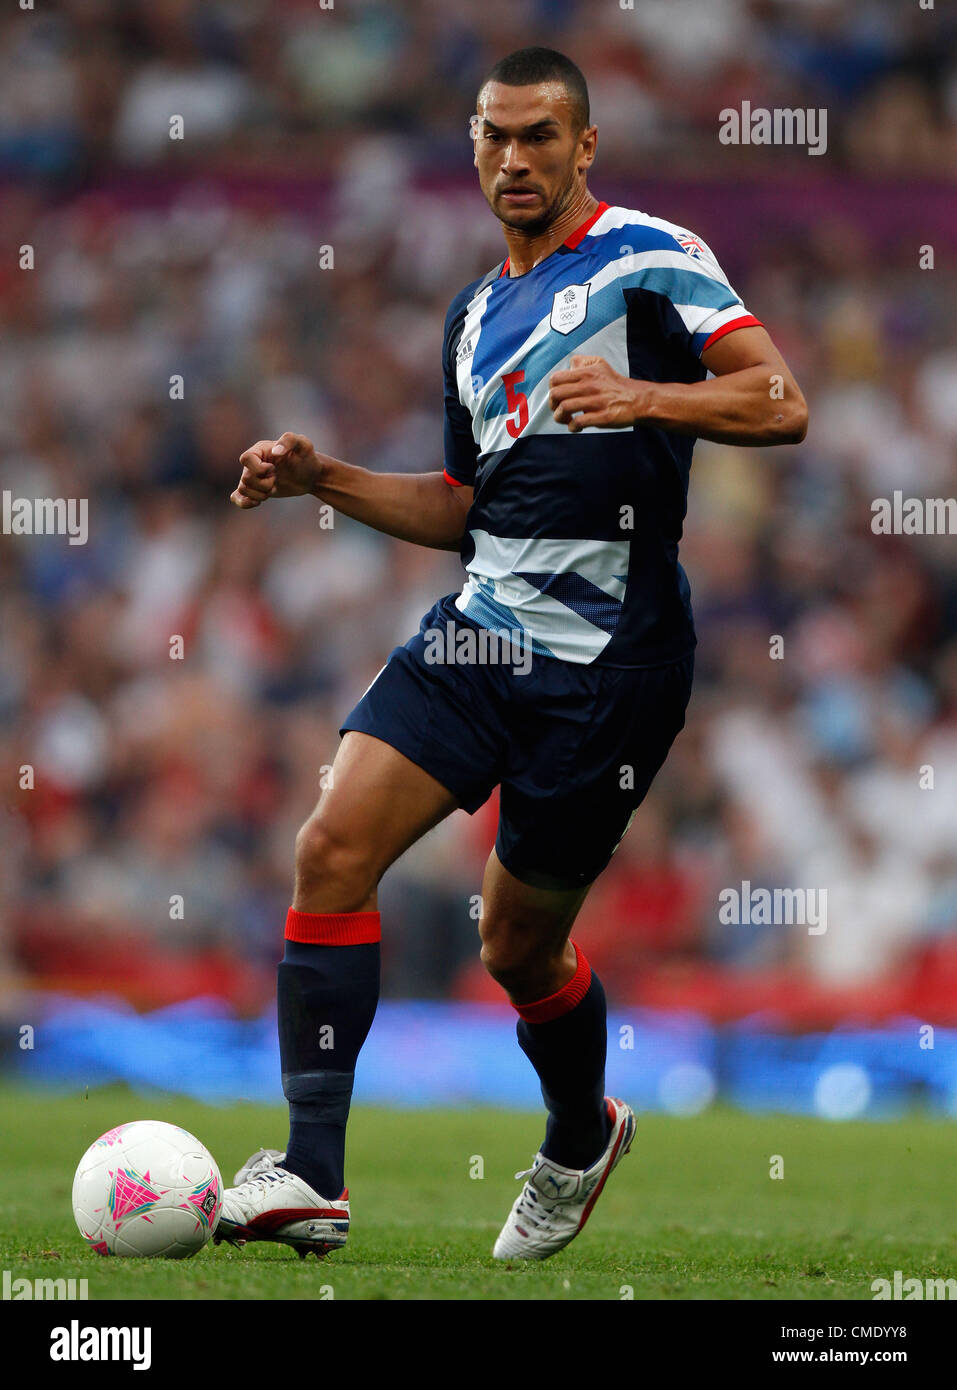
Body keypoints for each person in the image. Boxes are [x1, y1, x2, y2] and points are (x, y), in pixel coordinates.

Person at [217, 46, 807, 1262]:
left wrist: (649, 399)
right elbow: (461, 503)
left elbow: (780, 399)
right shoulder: (475, 315)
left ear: (584, 146)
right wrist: (323, 477)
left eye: (540, 135)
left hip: (612, 664)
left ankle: (580, 1133)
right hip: (481, 633)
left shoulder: (651, 256)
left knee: (515, 945)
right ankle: (313, 1177)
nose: (514, 157)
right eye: (494, 135)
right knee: (330, 843)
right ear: (473, 146)